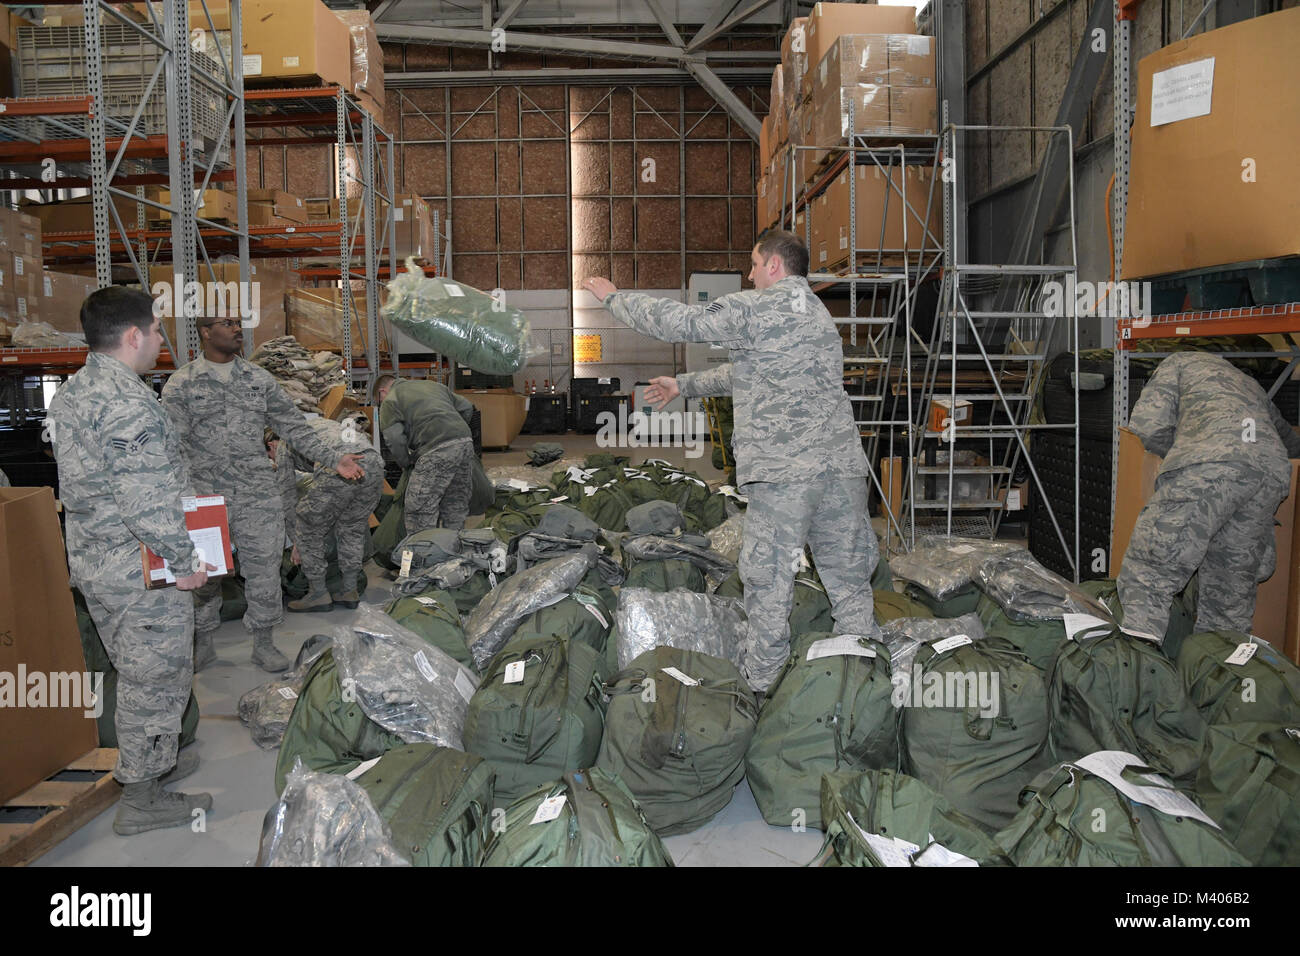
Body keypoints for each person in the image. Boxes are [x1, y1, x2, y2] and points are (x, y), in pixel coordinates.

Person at [581, 230, 879, 693]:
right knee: (850, 581)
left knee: (768, 582)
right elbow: (752, 370)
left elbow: (681, 323)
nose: (750, 274)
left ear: (775, 266)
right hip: (840, 469)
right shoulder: (817, 314)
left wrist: (614, 299)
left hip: (785, 474)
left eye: (755, 264)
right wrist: (686, 385)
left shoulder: (756, 306)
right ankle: (864, 681)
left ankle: (761, 687)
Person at [47, 287, 215, 835]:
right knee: (155, 679)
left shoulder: (78, 390)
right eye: (159, 331)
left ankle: (154, 764)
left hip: (101, 563)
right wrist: (186, 556)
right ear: (133, 335)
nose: (163, 340)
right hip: (139, 567)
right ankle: (141, 797)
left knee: (138, 672)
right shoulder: (124, 401)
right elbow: (142, 498)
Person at [161, 315, 365, 672]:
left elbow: (295, 427)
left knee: (265, 568)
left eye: (238, 322)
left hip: (256, 490)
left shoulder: (257, 379)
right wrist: (179, 497)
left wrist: (334, 459)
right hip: (205, 493)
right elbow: (171, 446)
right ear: (206, 332)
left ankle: (264, 643)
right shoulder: (182, 384)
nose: (237, 328)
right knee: (205, 573)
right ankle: (204, 642)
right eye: (226, 323)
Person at [1117, 351, 1300, 641]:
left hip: (1208, 462)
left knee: (1151, 569)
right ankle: (1217, 668)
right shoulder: (1248, 383)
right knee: (1230, 591)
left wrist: (1182, 452)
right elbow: (1290, 442)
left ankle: (1136, 669)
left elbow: (1148, 426)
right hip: (1269, 473)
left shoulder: (1177, 362)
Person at [279, 412, 385, 612]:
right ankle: (349, 590)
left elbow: (287, 495)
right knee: (352, 528)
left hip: (341, 464)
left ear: (270, 444)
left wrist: (297, 540)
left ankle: (318, 594)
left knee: (308, 526)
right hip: (374, 463)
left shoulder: (285, 439)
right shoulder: (323, 424)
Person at [375, 373, 477, 532]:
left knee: (419, 510)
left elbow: (394, 438)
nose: (381, 403)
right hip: (464, 443)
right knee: (455, 503)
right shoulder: (432, 385)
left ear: (382, 392)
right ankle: (453, 549)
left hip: (436, 448)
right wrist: (455, 431)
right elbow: (467, 407)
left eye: (379, 400)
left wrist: (406, 463)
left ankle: (423, 553)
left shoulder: (390, 399)